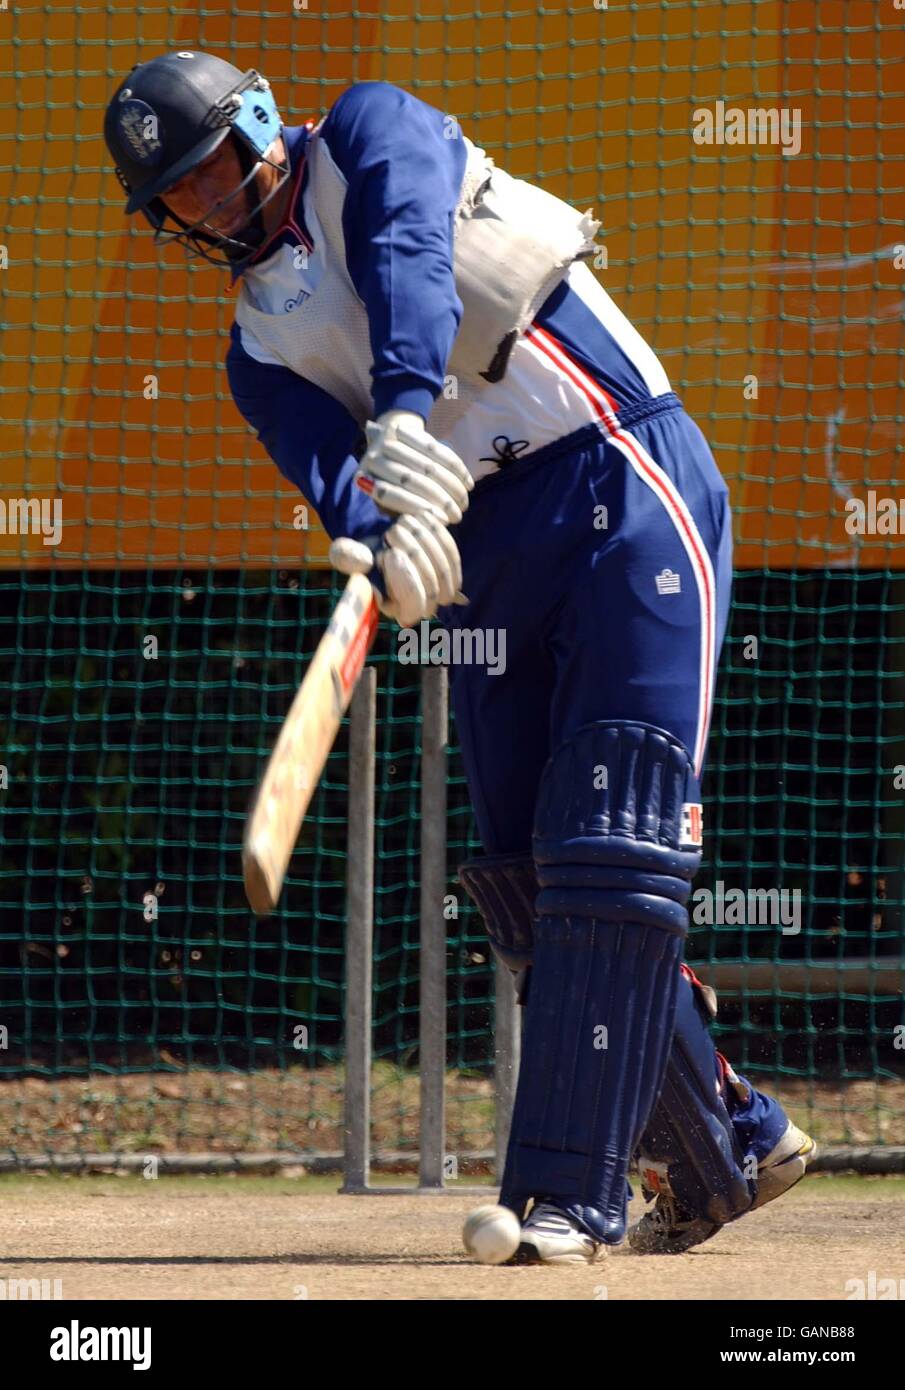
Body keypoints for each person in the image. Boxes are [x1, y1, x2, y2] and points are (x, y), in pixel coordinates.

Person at [103, 50, 816, 1263]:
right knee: (527, 884)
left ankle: (563, 1200)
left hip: (614, 473)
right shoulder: (255, 352)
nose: (213, 206)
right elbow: (341, 489)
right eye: (180, 200)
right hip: (491, 554)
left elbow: (409, 262)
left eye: (214, 169)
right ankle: (726, 1145)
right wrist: (389, 543)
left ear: (260, 124)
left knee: (610, 837)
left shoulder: (372, 133)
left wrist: (395, 411)